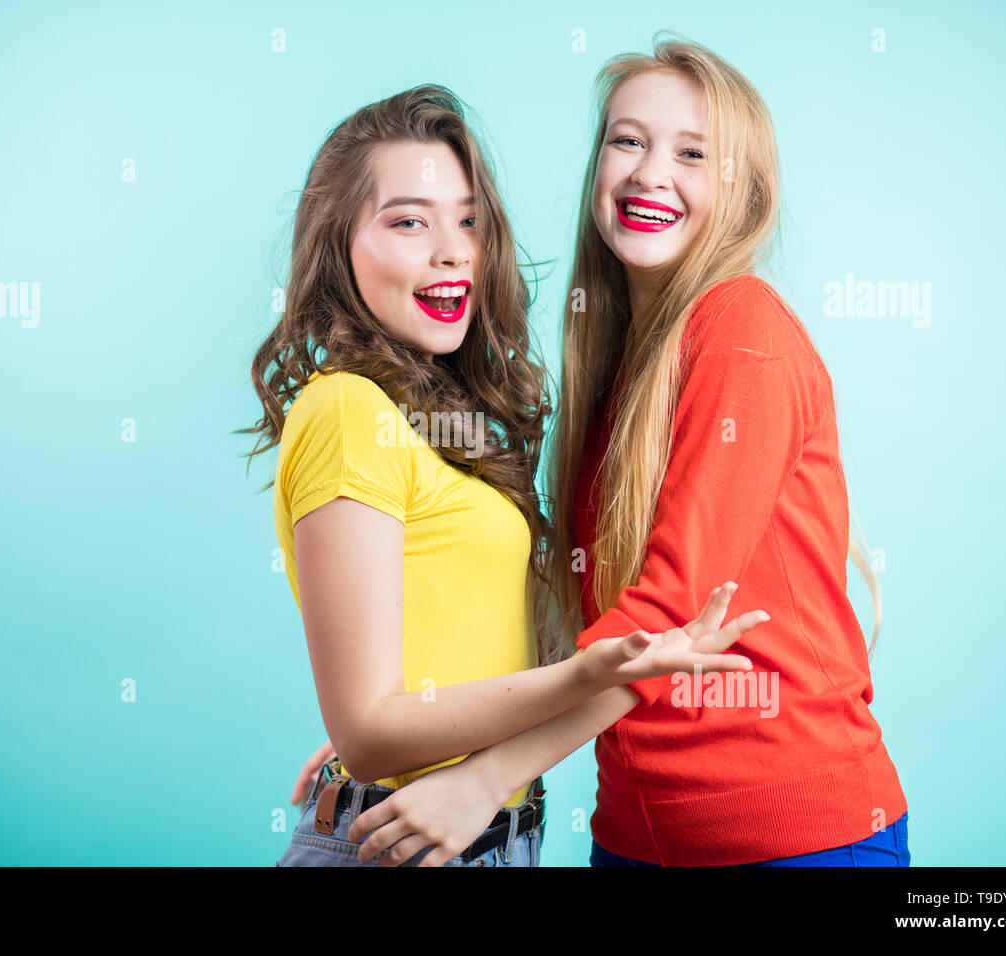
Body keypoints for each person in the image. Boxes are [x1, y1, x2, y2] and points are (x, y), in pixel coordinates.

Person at [341, 37, 910, 867]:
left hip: (797, 838)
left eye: (692, 154)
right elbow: (577, 627)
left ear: (742, 192)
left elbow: (668, 611)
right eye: (628, 141)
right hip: (638, 839)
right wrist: (410, 748)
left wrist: (481, 780)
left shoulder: (743, 330)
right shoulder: (621, 369)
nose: (650, 173)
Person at [245, 82, 768, 867]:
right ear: (337, 245)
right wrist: (581, 676)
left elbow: (444, 649)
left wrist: (442, 710)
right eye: (409, 221)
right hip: (404, 842)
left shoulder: (436, 415)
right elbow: (369, 730)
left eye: (468, 220)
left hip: (480, 834)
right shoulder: (349, 411)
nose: (453, 249)